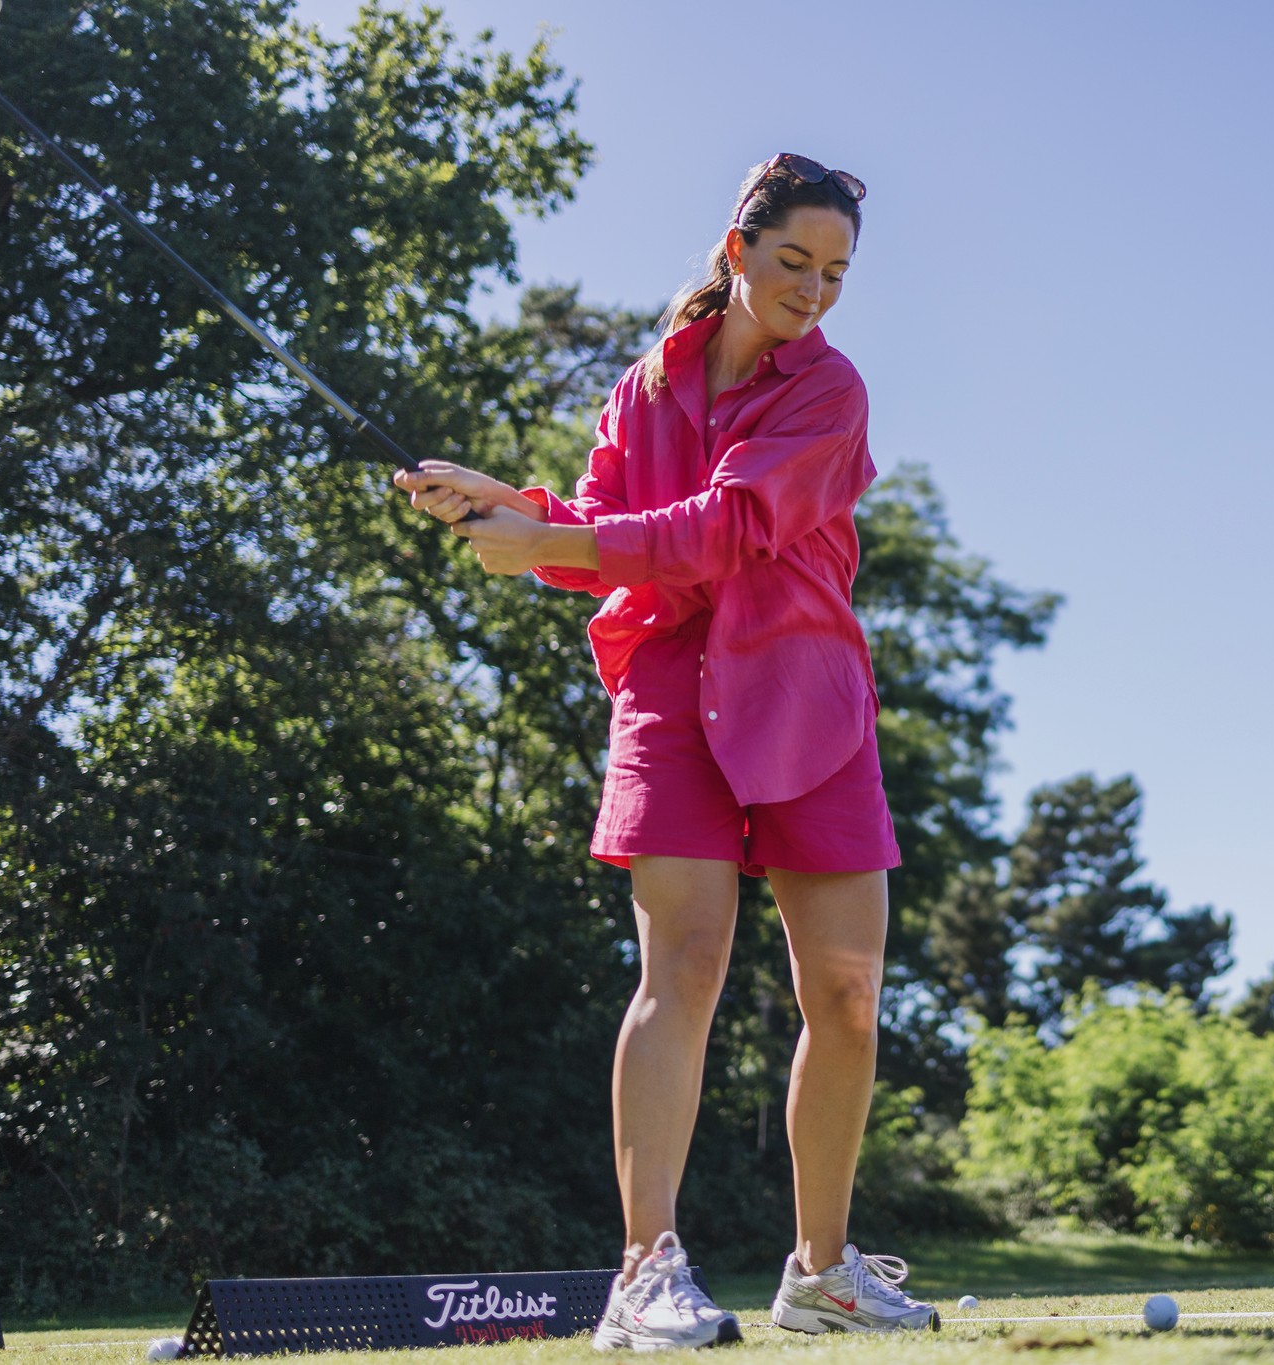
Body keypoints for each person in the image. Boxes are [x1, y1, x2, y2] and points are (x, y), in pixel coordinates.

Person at [393, 153, 936, 1349]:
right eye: (792, 261)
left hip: (807, 695)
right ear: (737, 250)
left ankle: (823, 1273)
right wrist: (511, 507)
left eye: (835, 272)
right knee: (681, 966)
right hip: (669, 696)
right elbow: (596, 520)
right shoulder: (645, 388)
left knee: (844, 994)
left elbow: (730, 527)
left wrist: (548, 542)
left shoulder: (827, 393)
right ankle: (645, 1273)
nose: (812, 290)